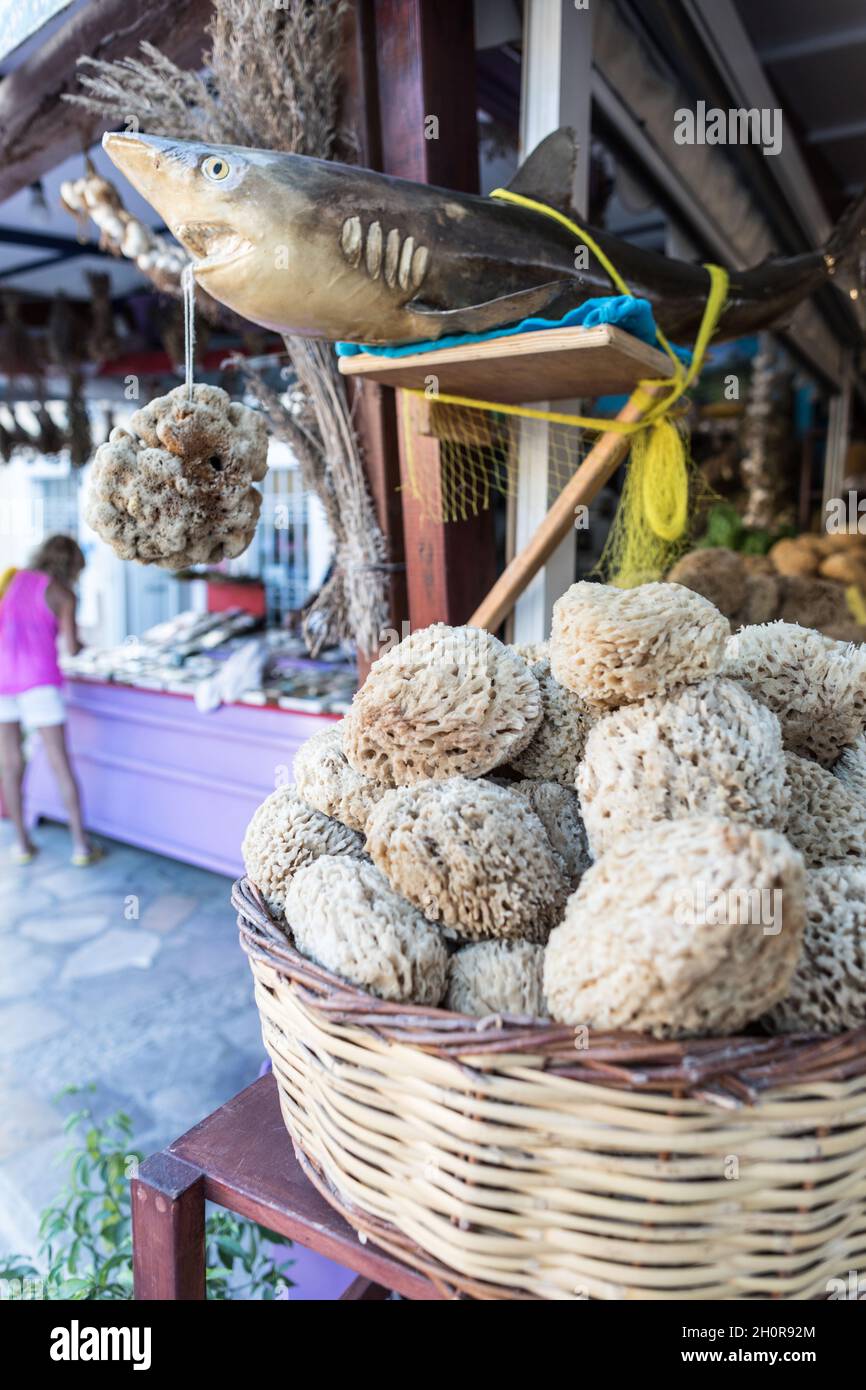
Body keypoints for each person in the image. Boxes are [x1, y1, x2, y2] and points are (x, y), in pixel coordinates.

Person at [0, 534, 99, 866]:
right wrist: (84, 645)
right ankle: (81, 846)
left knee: (10, 763)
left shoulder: (12, 579)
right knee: (59, 761)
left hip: (3, 680)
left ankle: (22, 844)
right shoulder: (63, 593)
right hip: (39, 681)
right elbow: (71, 648)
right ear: (73, 564)